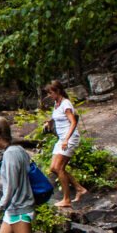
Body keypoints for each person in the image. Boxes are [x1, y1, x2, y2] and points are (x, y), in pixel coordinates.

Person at [45, 79, 84, 207]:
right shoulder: (57, 103)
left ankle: (66, 199)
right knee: (53, 168)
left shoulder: (66, 104)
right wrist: (49, 122)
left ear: (58, 91)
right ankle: (79, 188)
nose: (49, 95)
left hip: (70, 138)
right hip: (62, 139)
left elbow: (73, 122)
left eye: (51, 93)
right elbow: (55, 116)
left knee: (59, 168)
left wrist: (67, 139)